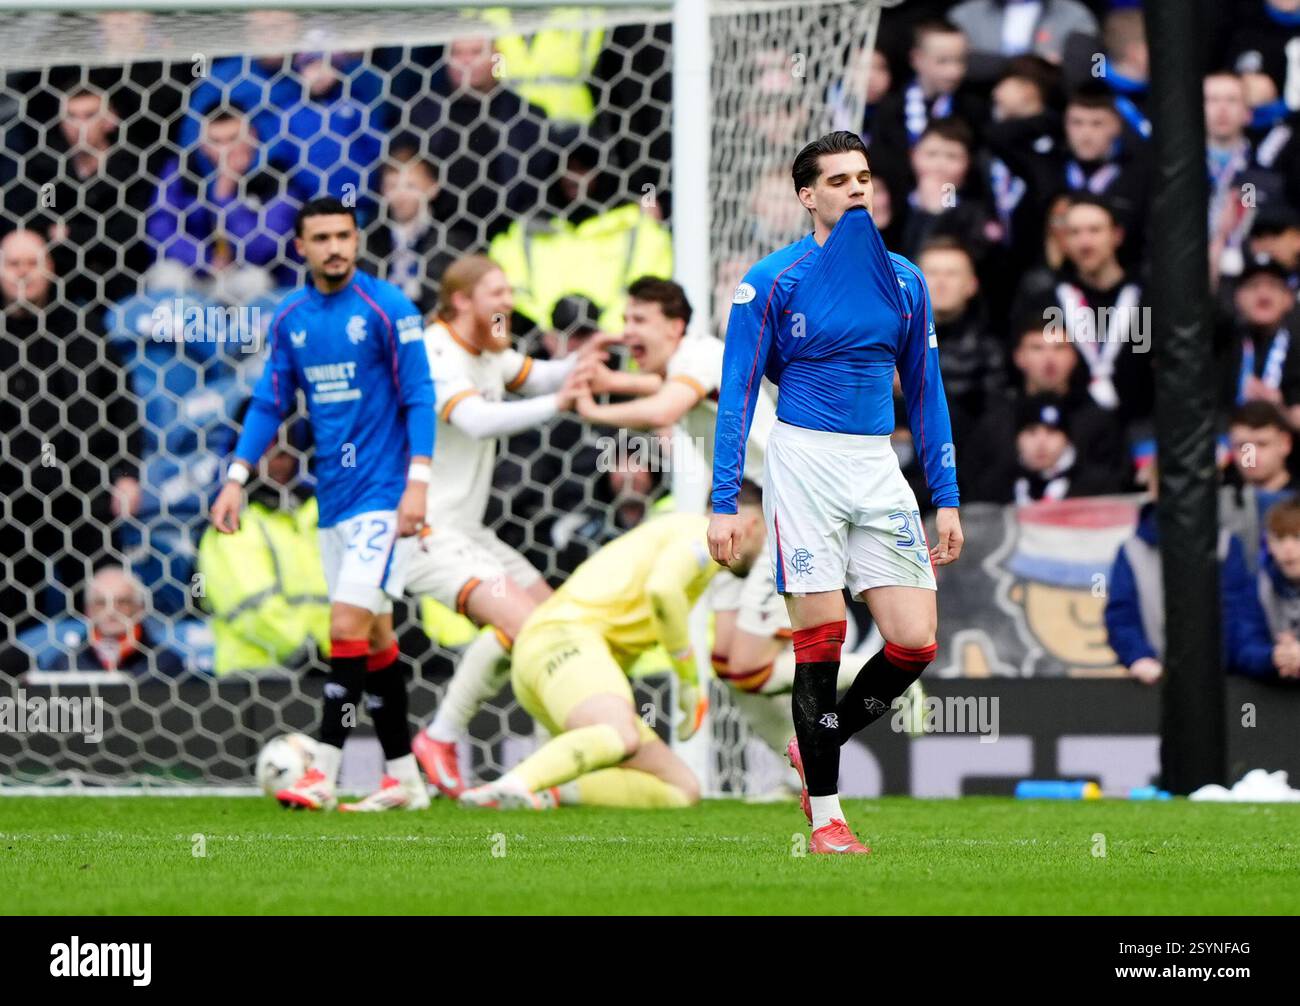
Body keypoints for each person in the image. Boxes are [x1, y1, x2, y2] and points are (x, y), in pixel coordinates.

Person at [708, 131, 964, 854]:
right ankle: (828, 818)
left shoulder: (905, 280)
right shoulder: (773, 280)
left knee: (913, 642)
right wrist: (724, 501)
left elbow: (926, 392)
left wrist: (943, 495)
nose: (858, 189)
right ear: (807, 196)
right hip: (804, 464)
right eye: (841, 180)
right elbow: (734, 394)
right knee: (818, 642)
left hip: (876, 464)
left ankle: (816, 739)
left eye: (865, 178)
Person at [210, 197, 436, 812]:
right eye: (321, 237)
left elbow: (420, 396)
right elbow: (268, 402)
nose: (335, 246)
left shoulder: (388, 309)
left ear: (357, 239)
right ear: (301, 247)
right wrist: (236, 476)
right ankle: (405, 780)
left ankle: (323, 768)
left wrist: (418, 483)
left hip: (385, 495)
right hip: (333, 500)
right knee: (377, 639)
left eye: (344, 235)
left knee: (344, 628)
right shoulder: (291, 317)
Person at [403, 254, 598, 796]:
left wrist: (588, 361)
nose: (508, 302)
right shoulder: (434, 353)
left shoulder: (487, 348)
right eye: (496, 292)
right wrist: (562, 402)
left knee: (554, 624)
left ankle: (549, 768)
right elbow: (477, 420)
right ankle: (440, 737)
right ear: (462, 300)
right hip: (426, 532)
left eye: (510, 291)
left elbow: (535, 376)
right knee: (528, 629)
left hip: (468, 530)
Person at [458, 484, 768, 810]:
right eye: (766, 537)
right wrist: (688, 676)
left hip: (558, 657)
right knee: (618, 732)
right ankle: (511, 787)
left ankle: (548, 794)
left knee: (680, 787)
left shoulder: (675, 533)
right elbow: (663, 590)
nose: (763, 552)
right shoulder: (699, 535)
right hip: (565, 639)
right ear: (752, 524)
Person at [0, 229, 140, 646]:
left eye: (33, 263)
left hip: (82, 489)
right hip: (9, 494)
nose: (24, 274)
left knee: (104, 599)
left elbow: (122, 405)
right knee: (11, 612)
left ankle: (113, 690)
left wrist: (128, 473)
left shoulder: (83, 327)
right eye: (14, 264)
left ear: (51, 268)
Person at [196, 404, 330, 677]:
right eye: (265, 444)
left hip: (331, 665)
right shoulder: (232, 521)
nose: (278, 456)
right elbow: (250, 607)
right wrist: (310, 653)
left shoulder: (317, 512)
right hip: (255, 675)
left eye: (286, 444)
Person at [49, 566, 185, 677]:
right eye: (101, 603)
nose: (111, 611)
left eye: (122, 602)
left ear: (140, 608)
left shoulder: (165, 664)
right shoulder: (65, 665)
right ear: (88, 610)